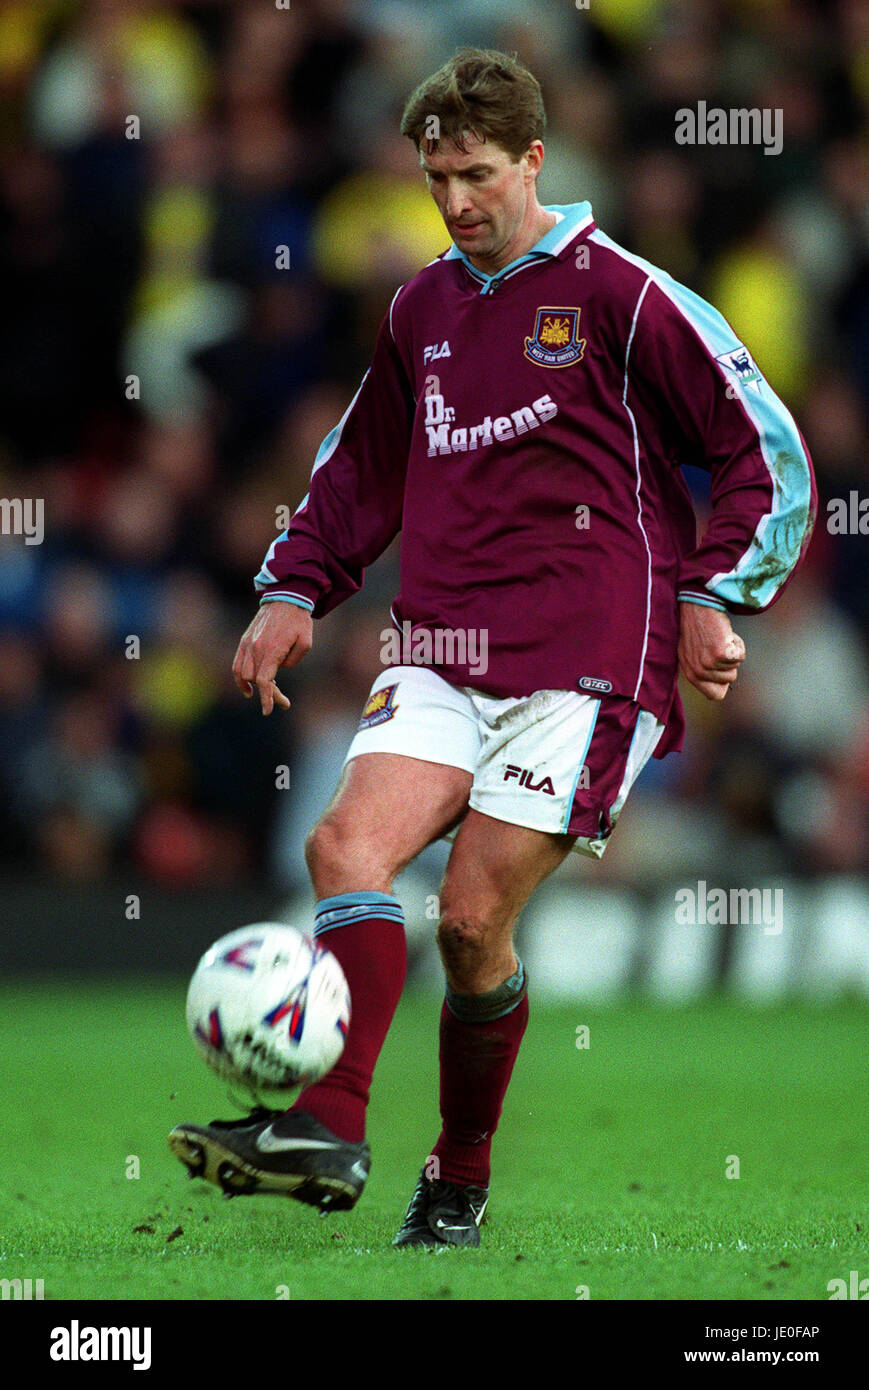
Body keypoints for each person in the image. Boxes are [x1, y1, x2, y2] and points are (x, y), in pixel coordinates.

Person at [170, 49, 816, 1248]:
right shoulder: (420, 307)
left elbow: (762, 450)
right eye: (433, 179)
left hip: (586, 662)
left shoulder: (623, 297)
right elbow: (359, 466)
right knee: (342, 843)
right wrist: (292, 587)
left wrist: (716, 590)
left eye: (474, 174)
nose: (455, 202)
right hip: (439, 644)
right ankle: (330, 1120)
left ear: (532, 159)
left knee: (469, 923)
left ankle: (456, 1177)